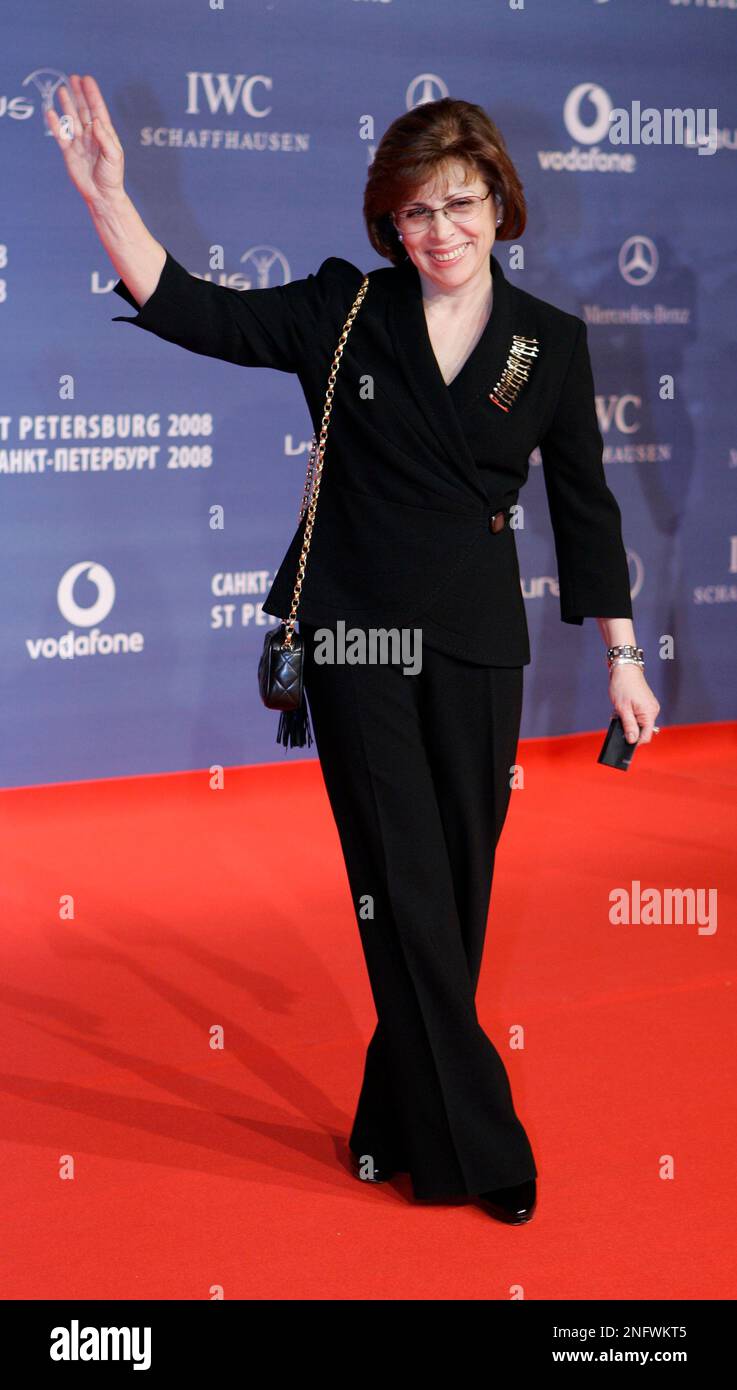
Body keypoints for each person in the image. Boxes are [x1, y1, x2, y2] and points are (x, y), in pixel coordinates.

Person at [48, 78, 660, 1225]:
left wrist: (624, 652)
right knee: (404, 890)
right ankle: (483, 1145)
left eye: (461, 203)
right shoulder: (344, 313)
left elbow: (585, 509)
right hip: (358, 635)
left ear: (499, 207)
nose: (440, 230)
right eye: (416, 211)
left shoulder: (549, 343)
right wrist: (108, 202)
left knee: (455, 902)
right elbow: (200, 310)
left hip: (479, 639)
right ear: (388, 220)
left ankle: (388, 1121)